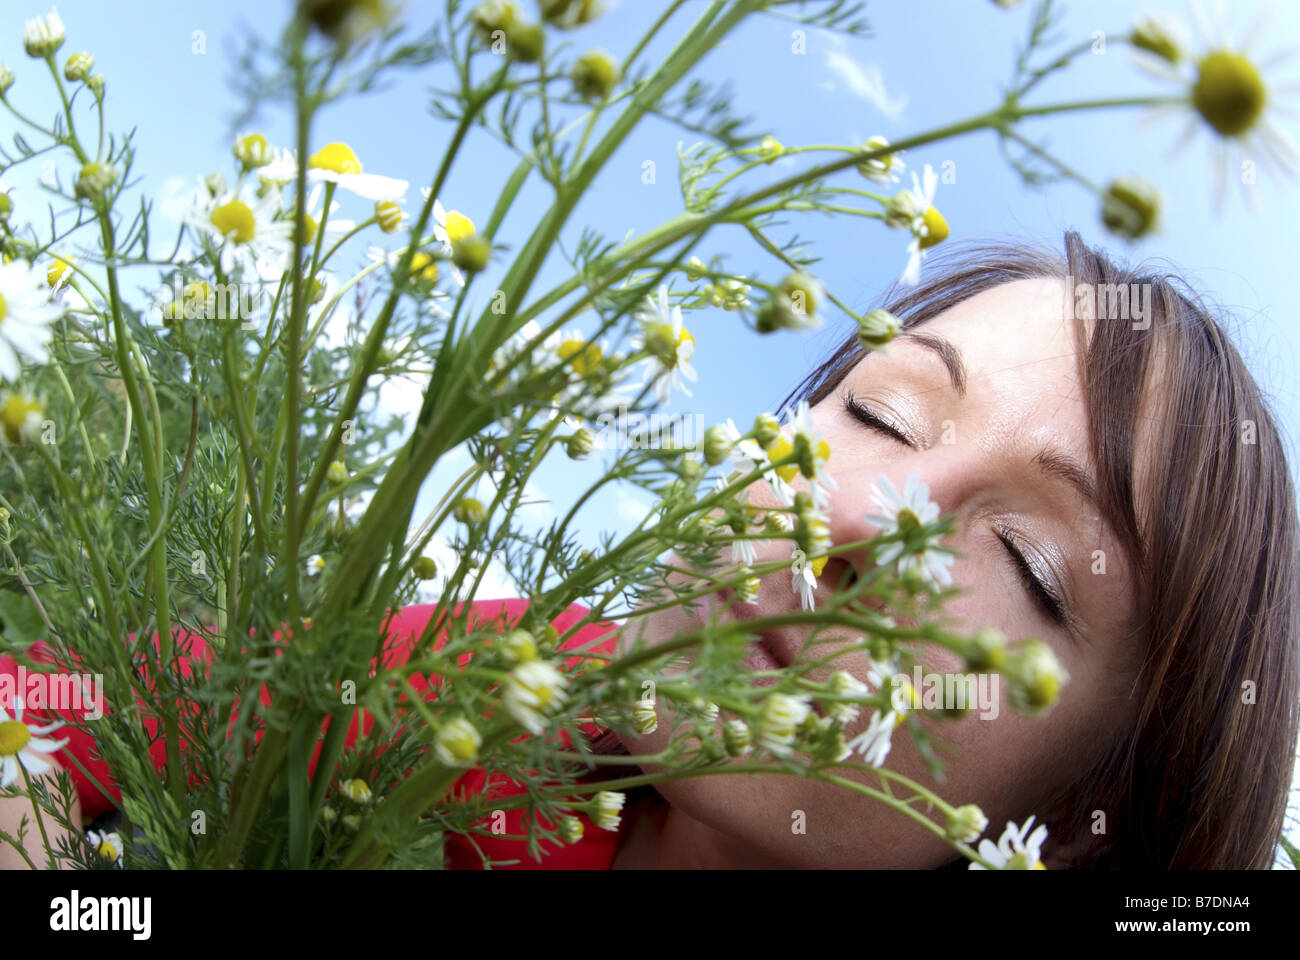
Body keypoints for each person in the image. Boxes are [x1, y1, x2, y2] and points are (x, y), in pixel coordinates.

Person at [3, 231, 1296, 869]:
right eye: (879, 411)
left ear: (1079, 823)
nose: (846, 519)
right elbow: (83, 702)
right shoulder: (505, 693)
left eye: (1028, 563)